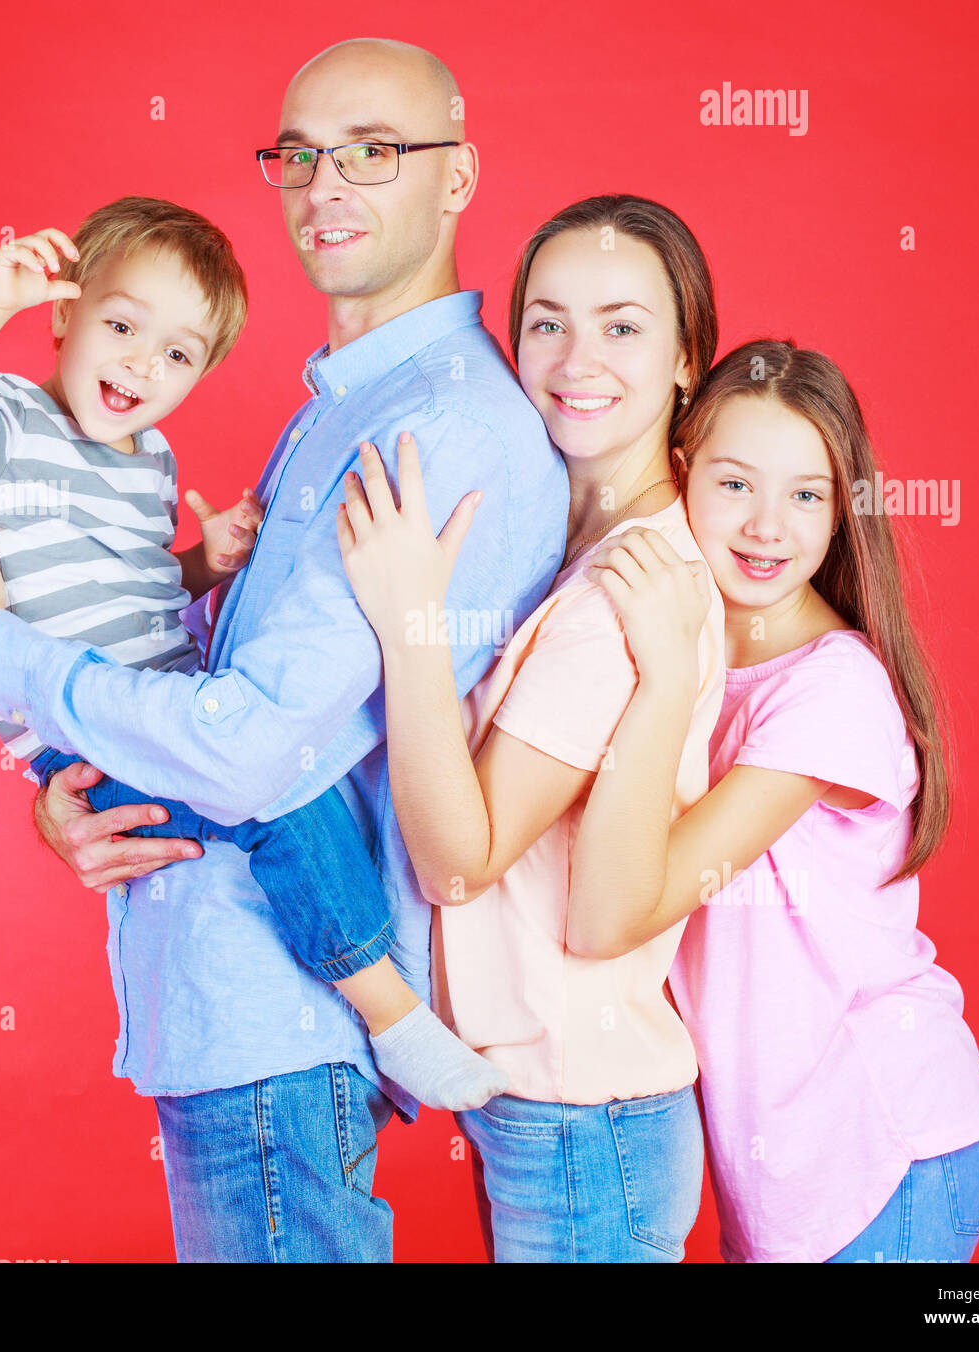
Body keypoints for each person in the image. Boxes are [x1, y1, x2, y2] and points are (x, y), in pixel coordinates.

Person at [0, 38, 569, 1261]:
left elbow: (246, 754)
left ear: (457, 175)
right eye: (300, 155)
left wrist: (2, 657)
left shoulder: (440, 421)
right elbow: (197, 679)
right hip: (231, 999)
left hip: (280, 1016)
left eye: (372, 151)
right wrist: (68, 794)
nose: (324, 184)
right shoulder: (348, 404)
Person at [0, 195, 506, 1114]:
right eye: (122, 324)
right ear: (62, 314)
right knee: (276, 799)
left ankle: (389, 998)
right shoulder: (8, 418)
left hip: (165, 697)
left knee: (304, 787)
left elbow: (139, 589)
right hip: (87, 726)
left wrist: (204, 566)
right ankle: (393, 1015)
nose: (142, 361)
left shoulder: (150, 460)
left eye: (177, 353)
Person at [335, 194, 726, 1261]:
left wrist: (410, 626)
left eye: (622, 325)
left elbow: (460, 860)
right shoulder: (553, 536)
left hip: (582, 1113)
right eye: (546, 321)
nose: (573, 357)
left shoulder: (627, 588)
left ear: (689, 355)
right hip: (543, 1103)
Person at [568, 338, 979, 1262]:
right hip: (777, 1161)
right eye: (735, 484)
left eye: (807, 495)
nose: (769, 526)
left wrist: (654, 678)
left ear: (844, 514)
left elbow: (621, 908)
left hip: (880, 1145)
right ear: (680, 474)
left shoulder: (830, 692)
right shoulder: (699, 653)